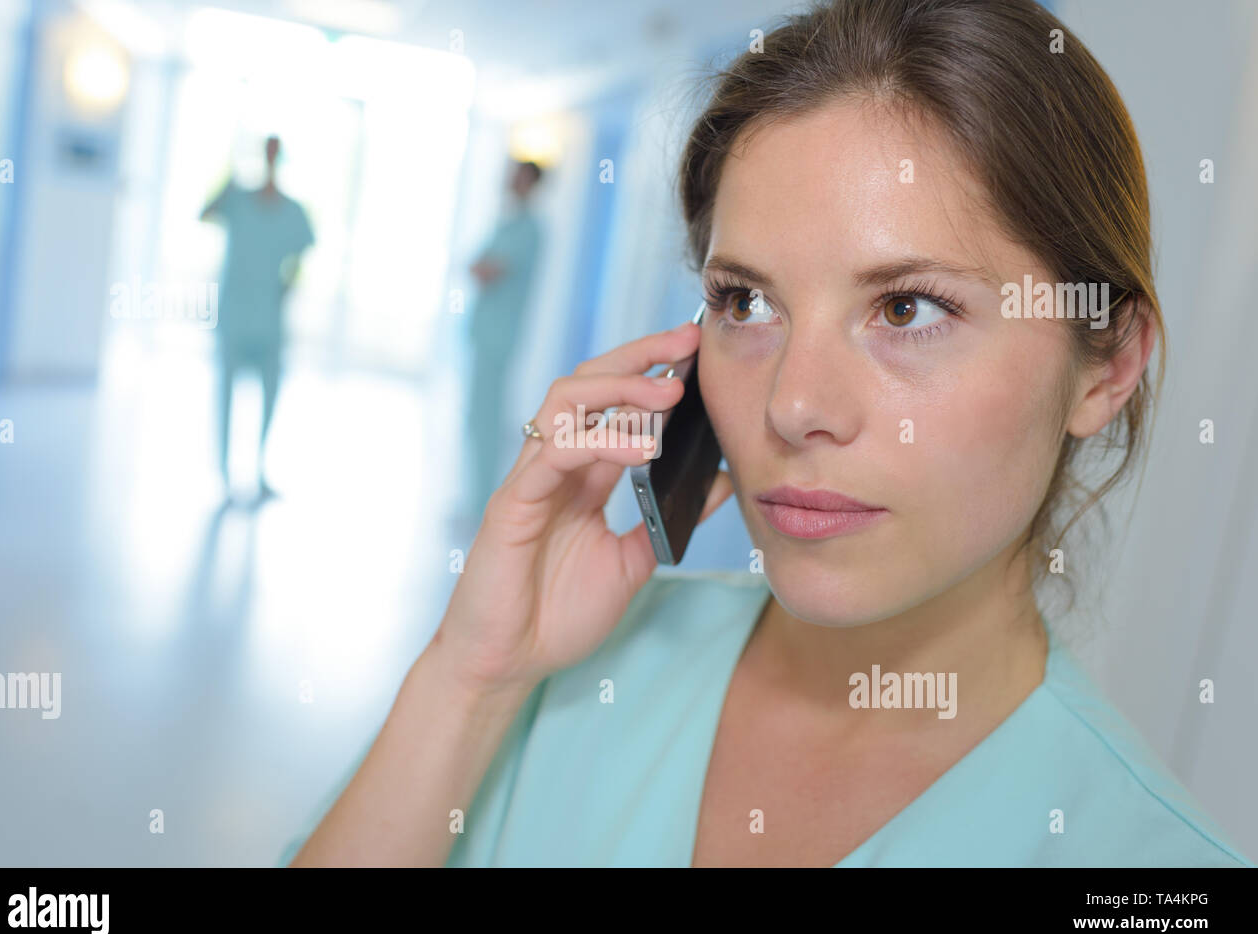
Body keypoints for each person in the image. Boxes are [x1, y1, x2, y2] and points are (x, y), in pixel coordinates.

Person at [281, 0, 1253, 866]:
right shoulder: (564, 674)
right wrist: (470, 678)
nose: (792, 405)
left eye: (909, 309)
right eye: (744, 302)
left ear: (1109, 366)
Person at [199, 135, 314, 501]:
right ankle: (225, 475)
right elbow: (204, 214)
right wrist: (228, 177)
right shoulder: (237, 199)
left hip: (269, 317)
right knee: (227, 394)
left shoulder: (294, 212)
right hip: (235, 313)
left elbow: (300, 259)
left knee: (269, 394)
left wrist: (287, 287)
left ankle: (260, 469)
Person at [460, 159, 544, 527]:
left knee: (488, 423)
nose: (510, 179)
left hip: (500, 338)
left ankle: (483, 506)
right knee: (476, 420)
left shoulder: (529, 230)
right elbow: (476, 266)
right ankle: (473, 501)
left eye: (519, 175)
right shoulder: (507, 222)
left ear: (532, 183)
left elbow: (484, 270)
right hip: (486, 335)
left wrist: (481, 267)